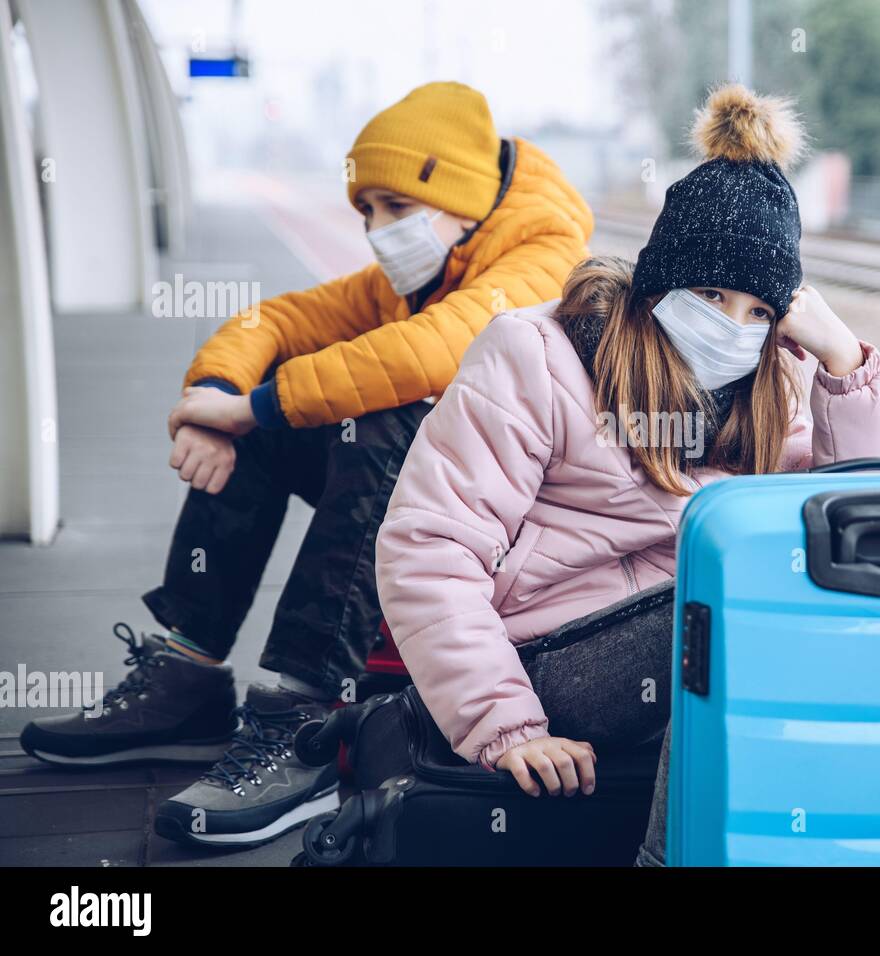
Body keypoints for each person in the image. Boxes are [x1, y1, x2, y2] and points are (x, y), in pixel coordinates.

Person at [19, 81, 595, 849]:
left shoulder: (543, 255)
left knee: (388, 416)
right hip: (445, 509)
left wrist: (258, 404)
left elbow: (434, 353)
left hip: (525, 527)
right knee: (279, 418)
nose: (377, 231)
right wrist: (218, 401)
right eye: (366, 211)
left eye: (395, 206)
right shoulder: (420, 273)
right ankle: (189, 674)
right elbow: (276, 320)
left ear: (459, 198)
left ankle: (306, 719)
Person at [374, 84, 880, 862]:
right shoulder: (539, 356)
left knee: (813, 616)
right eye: (710, 294)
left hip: (685, 648)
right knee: (729, 621)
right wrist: (506, 724)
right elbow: (430, 544)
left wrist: (844, 362)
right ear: (659, 284)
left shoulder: (769, 390)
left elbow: (855, 533)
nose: (732, 326)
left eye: (759, 311)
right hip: (545, 657)